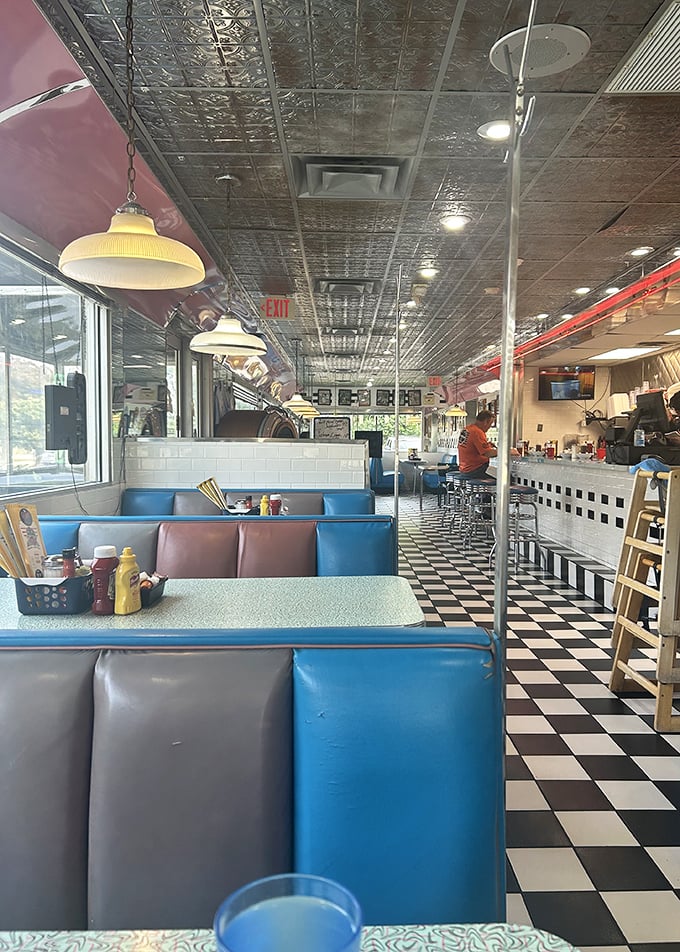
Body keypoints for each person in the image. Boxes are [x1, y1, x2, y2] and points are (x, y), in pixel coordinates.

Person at [458, 409, 519, 478]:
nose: (489, 427)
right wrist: (508, 451)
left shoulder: (468, 429)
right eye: (490, 424)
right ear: (485, 422)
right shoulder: (477, 432)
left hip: (464, 469)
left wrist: (488, 445)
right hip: (475, 470)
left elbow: (472, 447)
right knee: (506, 478)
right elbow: (488, 453)